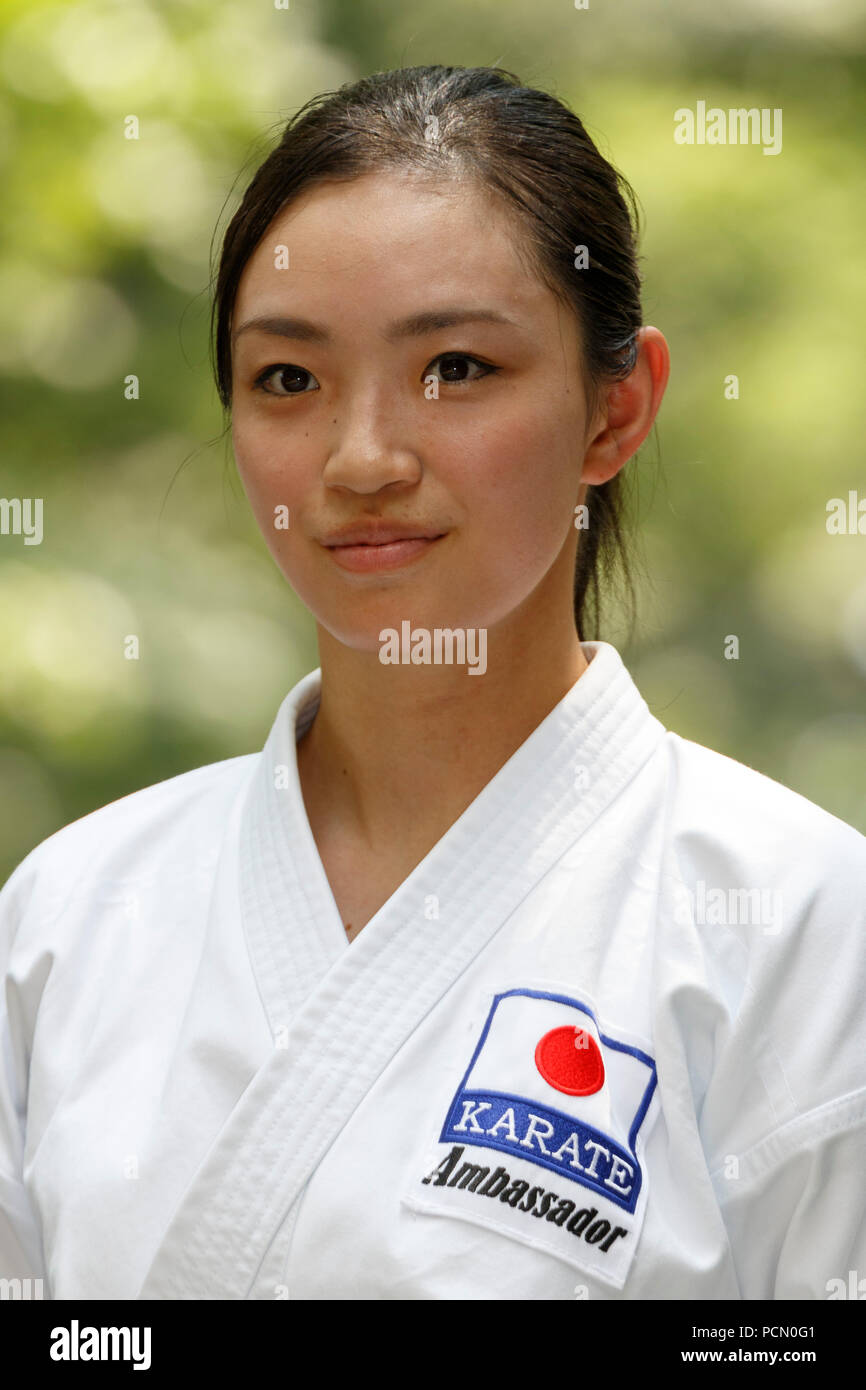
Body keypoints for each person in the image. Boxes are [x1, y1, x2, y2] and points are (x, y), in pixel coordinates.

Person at [1, 65, 864, 1302]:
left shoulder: (804, 925)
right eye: (287, 379)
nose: (360, 459)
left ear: (614, 410)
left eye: (455, 367)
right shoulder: (70, 915)